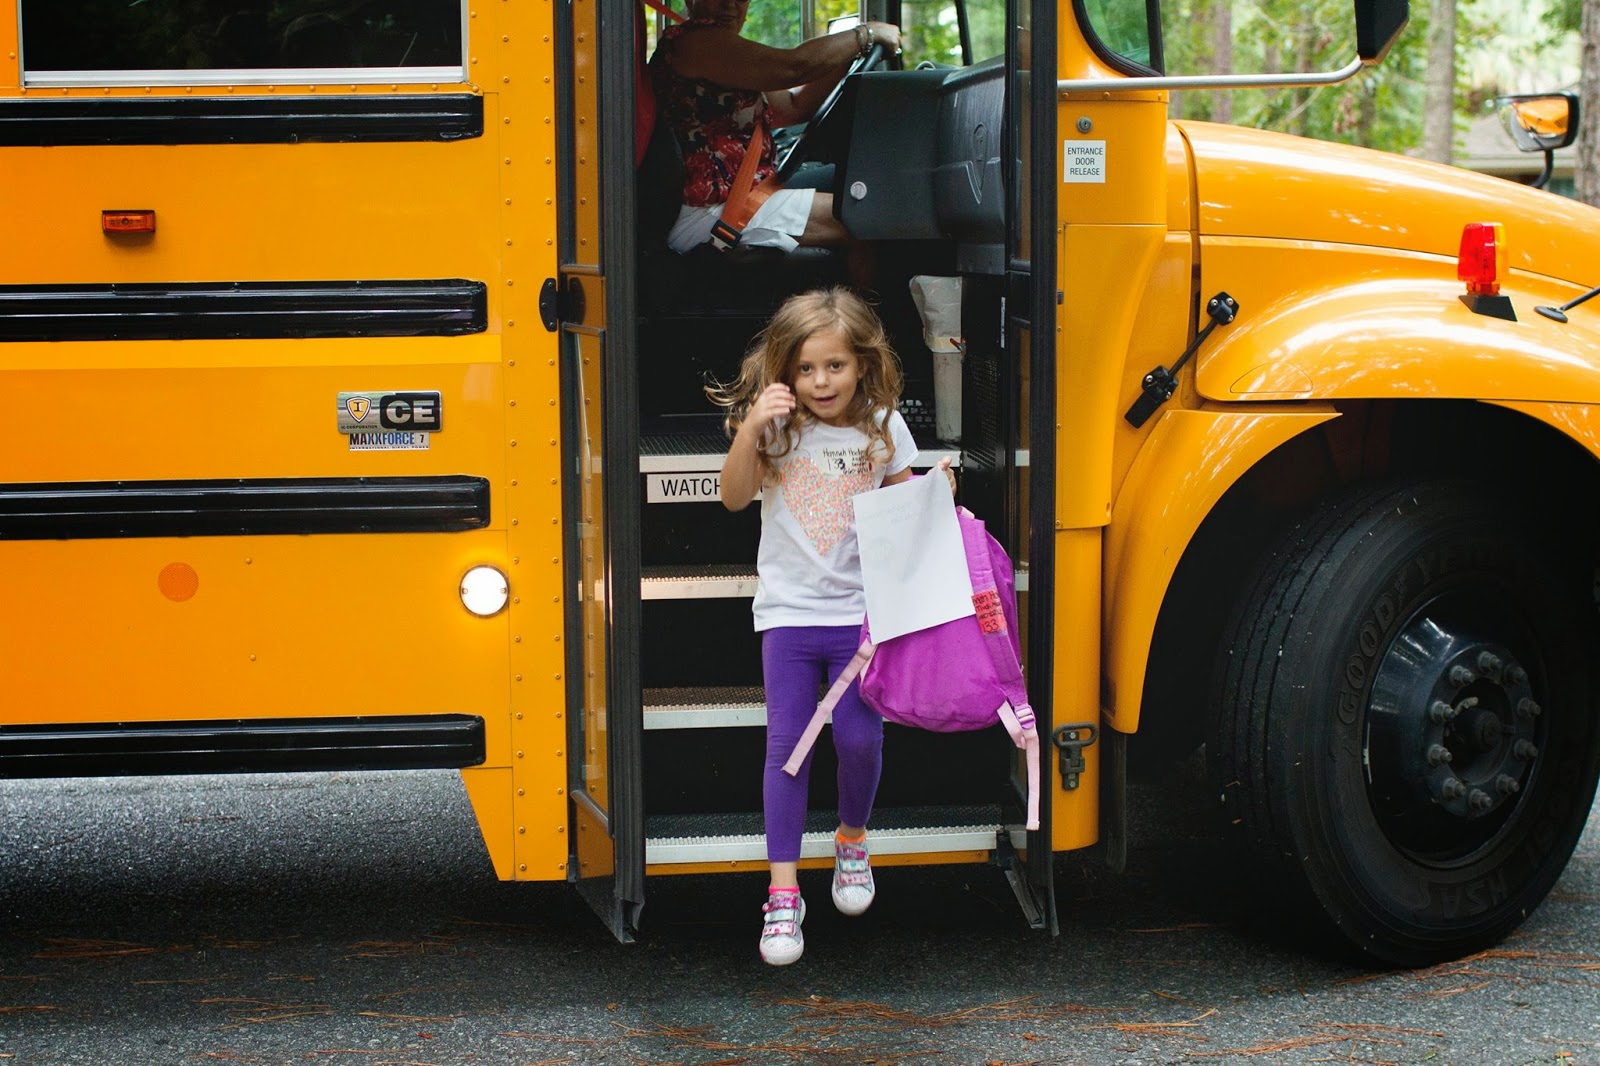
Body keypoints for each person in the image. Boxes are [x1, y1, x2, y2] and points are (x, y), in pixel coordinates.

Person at [710, 287, 953, 966]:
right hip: (788, 615)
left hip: (860, 616)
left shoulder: (882, 424)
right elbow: (733, 497)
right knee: (788, 748)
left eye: (836, 367)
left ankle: (851, 839)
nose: (821, 382)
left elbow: (907, 509)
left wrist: (936, 493)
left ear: (862, 364)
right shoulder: (777, 425)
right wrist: (752, 425)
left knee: (858, 740)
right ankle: (783, 894)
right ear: (786, 370)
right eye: (807, 369)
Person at [649, 0, 901, 255]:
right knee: (864, 218)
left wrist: (845, 55)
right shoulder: (697, 43)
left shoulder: (723, 52)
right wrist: (865, 34)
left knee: (850, 183)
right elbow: (793, 66)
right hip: (708, 212)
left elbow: (794, 106)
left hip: (742, 195)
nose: (729, 6)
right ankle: (866, 296)